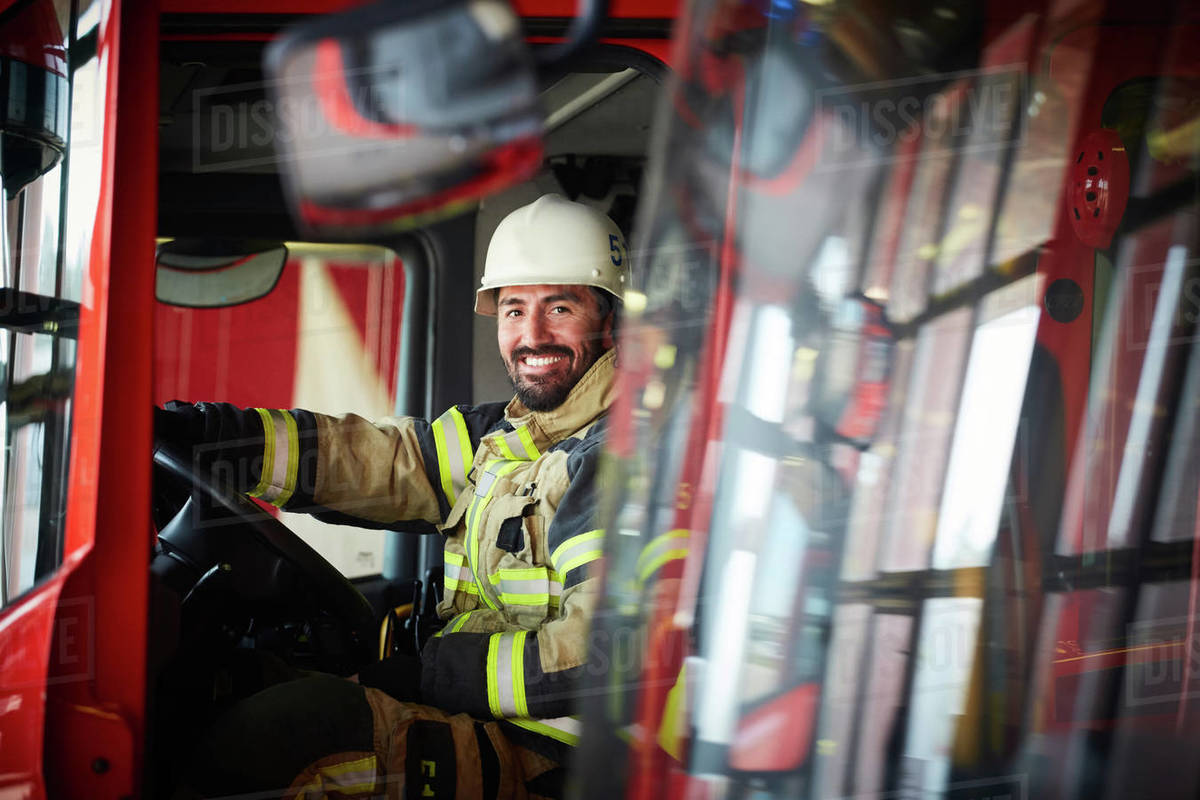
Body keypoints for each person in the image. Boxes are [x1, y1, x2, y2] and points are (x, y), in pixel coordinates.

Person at [159, 193, 628, 799]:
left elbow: (606, 656)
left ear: (610, 321)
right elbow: (384, 461)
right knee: (237, 682)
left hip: (562, 761)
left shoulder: (623, 457)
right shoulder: (510, 436)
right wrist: (219, 437)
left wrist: (431, 675)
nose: (530, 335)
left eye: (559, 307)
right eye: (513, 310)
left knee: (286, 734)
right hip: (498, 722)